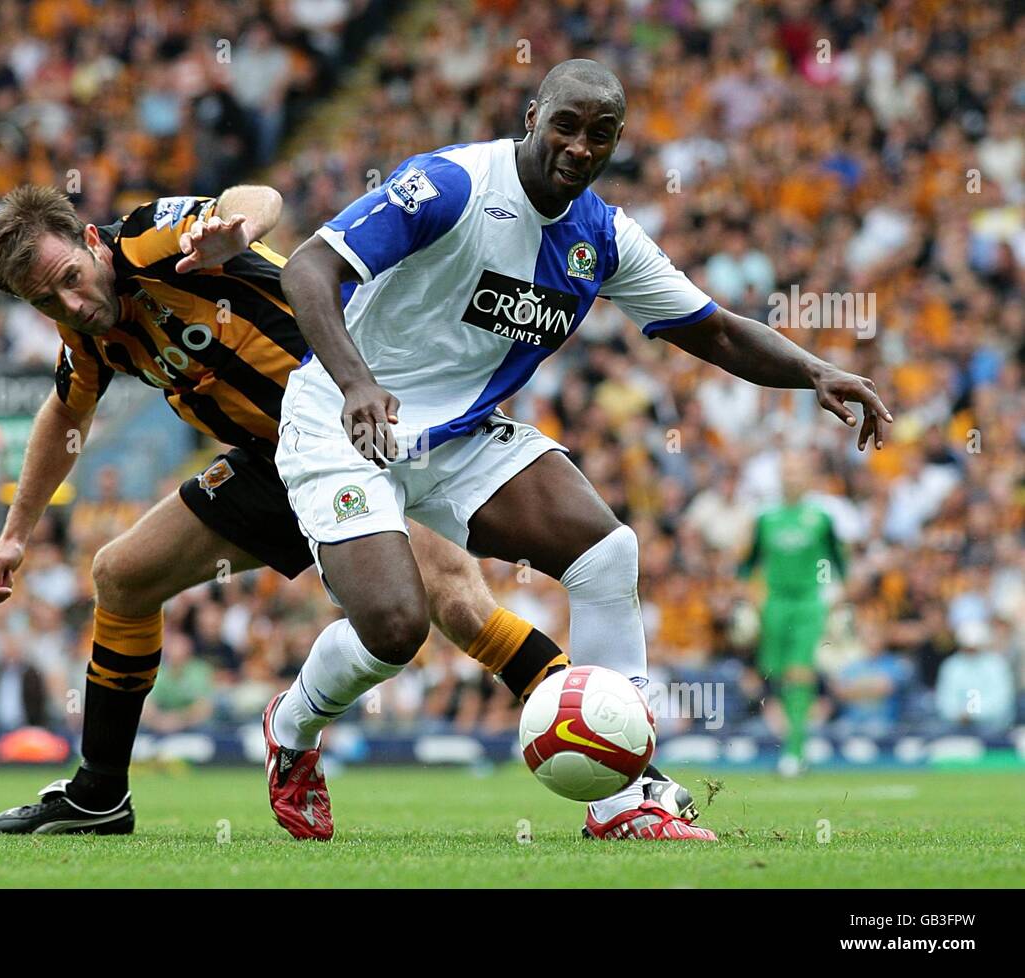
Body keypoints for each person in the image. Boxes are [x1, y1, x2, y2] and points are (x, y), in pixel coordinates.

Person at [269, 58, 889, 841]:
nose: (579, 146)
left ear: (616, 143)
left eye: (601, 134)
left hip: (457, 437)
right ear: (533, 116)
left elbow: (718, 330)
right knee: (394, 629)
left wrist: (815, 370)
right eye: (565, 124)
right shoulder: (451, 184)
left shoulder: (603, 237)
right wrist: (357, 383)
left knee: (605, 552)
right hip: (344, 418)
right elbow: (308, 268)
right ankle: (291, 731)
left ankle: (622, 801)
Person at [0, 184, 605, 835]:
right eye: (47, 300)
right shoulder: (85, 331)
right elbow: (65, 412)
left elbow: (258, 196)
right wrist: (14, 536)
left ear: (91, 242)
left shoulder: (151, 241)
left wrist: (237, 227)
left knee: (456, 601)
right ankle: (99, 794)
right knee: (123, 575)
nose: (73, 305)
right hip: (272, 462)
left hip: (355, 429)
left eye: (72, 280)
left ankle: (624, 780)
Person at [740, 454, 849, 776]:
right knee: (775, 674)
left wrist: (835, 594)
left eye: (798, 471)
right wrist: (751, 597)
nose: (792, 477)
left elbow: (840, 563)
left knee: (800, 673)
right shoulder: (766, 518)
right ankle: (789, 743)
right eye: (787, 471)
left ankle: (795, 750)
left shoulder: (821, 517)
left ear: (809, 476)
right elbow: (747, 565)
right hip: (773, 603)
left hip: (808, 602)